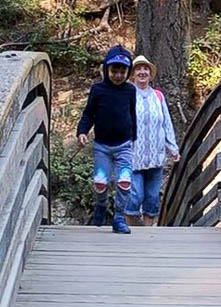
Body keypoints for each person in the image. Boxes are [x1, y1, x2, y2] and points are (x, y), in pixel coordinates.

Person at [76, 45, 137, 234]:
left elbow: (132, 115)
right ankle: (101, 205)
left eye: (122, 71)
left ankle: (119, 217)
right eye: (114, 70)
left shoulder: (130, 90)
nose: (118, 75)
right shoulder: (98, 90)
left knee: (125, 181)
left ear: (127, 72)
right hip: (102, 145)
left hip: (124, 144)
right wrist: (82, 131)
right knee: (101, 182)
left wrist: (134, 137)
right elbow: (89, 114)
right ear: (106, 69)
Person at [124, 56, 179, 227]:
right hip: (133, 156)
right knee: (135, 196)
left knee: (153, 198)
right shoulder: (127, 94)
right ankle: (129, 235)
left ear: (150, 73)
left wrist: (173, 147)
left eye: (145, 69)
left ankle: (148, 236)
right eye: (138, 69)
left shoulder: (158, 96)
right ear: (133, 74)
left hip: (156, 156)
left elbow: (166, 123)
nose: (142, 72)